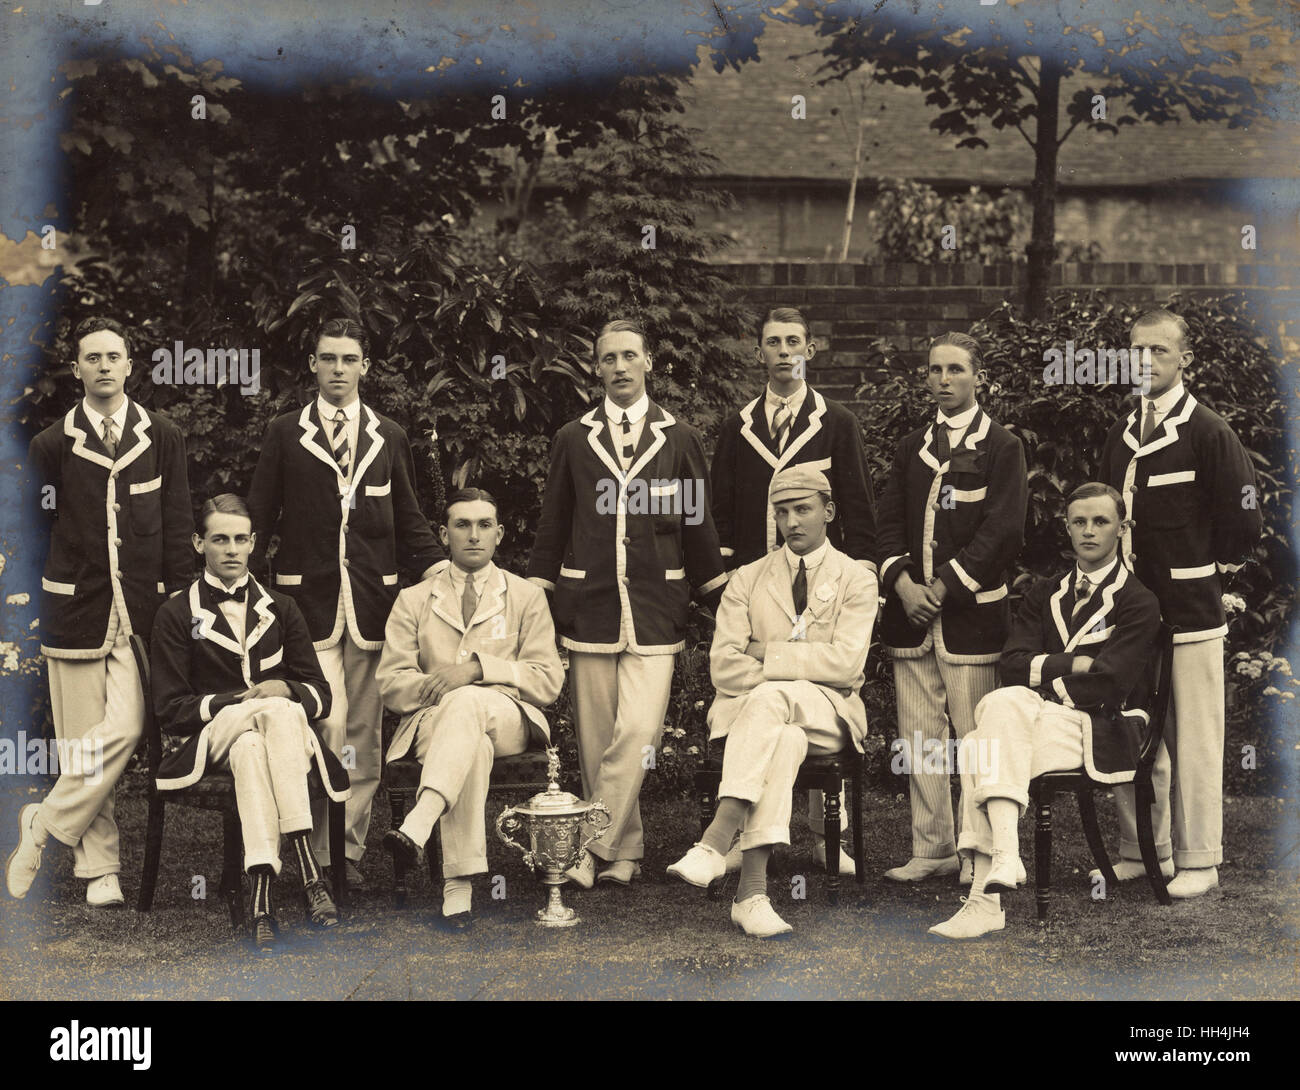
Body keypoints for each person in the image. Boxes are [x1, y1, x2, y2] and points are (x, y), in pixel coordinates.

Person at [526, 318, 728, 886]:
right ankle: (627, 850)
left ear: (648, 363)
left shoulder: (680, 437)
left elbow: (696, 522)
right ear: (596, 367)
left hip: (656, 606)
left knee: (637, 734)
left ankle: (585, 847)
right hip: (587, 601)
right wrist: (538, 594)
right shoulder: (573, 437)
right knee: (595, 741)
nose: (619, 366)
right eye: (608, 358)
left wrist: (720, 594)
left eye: (629, 356)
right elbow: (553, 521)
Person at [246, 318, 444, 890]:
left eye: (348, 359)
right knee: (321, 726)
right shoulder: (286, 432)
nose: (338, 369)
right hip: (305, 607)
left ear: (365, 367)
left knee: (363, 735)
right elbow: (259, 516)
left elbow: (408, 520)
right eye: (327, 358)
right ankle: (309, 847)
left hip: (371, 608)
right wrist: (244, 590)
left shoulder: (389, 434)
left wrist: (448, 576)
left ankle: (345, 855)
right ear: (313, 365)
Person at [7, 317, 193, 908]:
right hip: (76, 608)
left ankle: (42, 823)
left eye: (115, 356)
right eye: (93, 358)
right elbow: (33, 532)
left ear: (130, 365)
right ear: (77, 368)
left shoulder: (161, 435)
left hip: (144, 612)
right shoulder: (50, 445)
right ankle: (99, 870)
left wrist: (183, 601)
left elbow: (180, 522)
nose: (105, 366)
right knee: (81, 741)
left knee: (129, 727)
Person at [929, 483, 1161, 939]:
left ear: (1122, 528)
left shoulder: (1138, 601)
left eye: (1101, 521)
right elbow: (1010, 663)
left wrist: (1044, 681)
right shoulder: (1045, 593)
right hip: (1037, 721)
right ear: (1068, 528)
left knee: (985, 734)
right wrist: (1073, 664)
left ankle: (987, 892)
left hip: (1102, 726)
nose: (1089, 531)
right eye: (1079, 522)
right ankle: (998, 871)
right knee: (986, 730)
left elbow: (1111, 684)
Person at [666, 467, 877, 937]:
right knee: (782, 737)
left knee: (773, 695)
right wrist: (802, 663)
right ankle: (751, 895)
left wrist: (768, 654)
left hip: (830, 712)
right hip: (754, 716)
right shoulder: (747, 578)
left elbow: (845, 665)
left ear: (829, 511)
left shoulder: (857, 579)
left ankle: (717, 839)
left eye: (803, 510)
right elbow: (723, 665)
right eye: (782, 512)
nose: (792, 522)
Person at [1098, 309, 1261, 899]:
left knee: (1192, 735)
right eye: (1136, 351)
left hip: (1191, 612)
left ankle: (1200, 858)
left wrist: (1208, 577)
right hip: (1130, 615)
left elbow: (1243, 521)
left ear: (1183, 360)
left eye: (1158, 352)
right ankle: (1144, 850)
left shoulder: (1209, 431)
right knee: (1132, 730)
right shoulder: (1121, 434)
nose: (1146, 362)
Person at [710, 305, 878, 875]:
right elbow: (725, 513)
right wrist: (730, 592)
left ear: (810, 350)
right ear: (759, 352)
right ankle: (754, 840)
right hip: (764, 586)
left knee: (794, 698)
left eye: (794, 342)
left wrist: (858, 578)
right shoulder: (738, 426)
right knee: (779, 707)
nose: (784, 351)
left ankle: (825, 834)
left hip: (823, 581)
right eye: (772, 342)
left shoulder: (838, 422)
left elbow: (855, 507)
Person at [150, 495, 350, 953]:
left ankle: (261, 900)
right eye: (220, 539)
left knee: (256, 744)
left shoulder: (282, 607)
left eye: (241, 539)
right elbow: (171, 708)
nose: (232, 549)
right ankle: (308, 871)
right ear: (199, 543)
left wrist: (285, 689)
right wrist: (238, 701)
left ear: (255, 543)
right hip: (209, 737)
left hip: (258, 742)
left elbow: (321, 695)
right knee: (270, 711)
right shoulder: (177, 613)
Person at [876, 332, 1027, 885]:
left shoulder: (1002, 446)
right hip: (909, 618)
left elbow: (1003, 530)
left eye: (956, 370)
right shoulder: (911, 445)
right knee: (921, 741)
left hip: (971, 617)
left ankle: (979, 852)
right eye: (935, 370)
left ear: (978, 377)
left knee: (976, 739)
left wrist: (943, 587)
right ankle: (932, 846)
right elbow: (887, 521)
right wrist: (903, 585)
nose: (944, 379)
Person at [377, 488, 564, 930]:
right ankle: (458, 887)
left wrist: (478, 670)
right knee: (471, 742)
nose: (473, 535)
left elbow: (548, 680)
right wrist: (446, 688)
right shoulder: (413, 599)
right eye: (462, 525)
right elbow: (391, 684)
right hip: (433, 724)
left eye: (484, 526)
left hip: (511, 719)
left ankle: (419, 824)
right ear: (444, 534)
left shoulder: (525, 596)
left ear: (499, 534)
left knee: (470, 703)